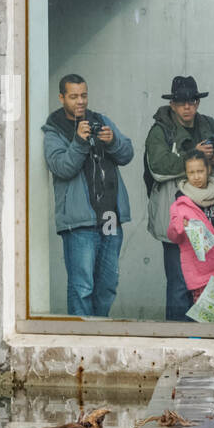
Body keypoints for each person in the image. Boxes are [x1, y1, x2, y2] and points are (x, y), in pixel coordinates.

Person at [42, 74, 133, 317]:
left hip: (110, 218)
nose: (80, 101)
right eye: (73, 96)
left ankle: (99, 332)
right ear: (62, 97)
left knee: (107, 286)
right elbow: (62, 167)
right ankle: (81, 336)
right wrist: (80, 141)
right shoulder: (53, 131)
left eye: (83, 95)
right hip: (80, 223)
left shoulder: (101, 120)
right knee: (82, 287)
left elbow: (127, 154)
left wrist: (112, 141)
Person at [144, 75, 214, 320]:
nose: (187, 107)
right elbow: (158, 166)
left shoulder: (209, 125)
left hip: (210, 223)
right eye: (181, 102)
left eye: (191, 101)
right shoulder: (160, 130)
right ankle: (175, 340)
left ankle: (203, 338)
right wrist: (194, 157)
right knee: (179, 286)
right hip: (178, 224)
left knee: (212, 282)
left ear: (197, 103)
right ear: (172, 104)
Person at [166, 151, 214, 323]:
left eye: (200, 171)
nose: (196, 177)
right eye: (191, 173)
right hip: (199, 271)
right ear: (186, 174)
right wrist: (180, 225)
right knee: (205, 321)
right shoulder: (180, 203)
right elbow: (173, 236)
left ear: (209, 169)